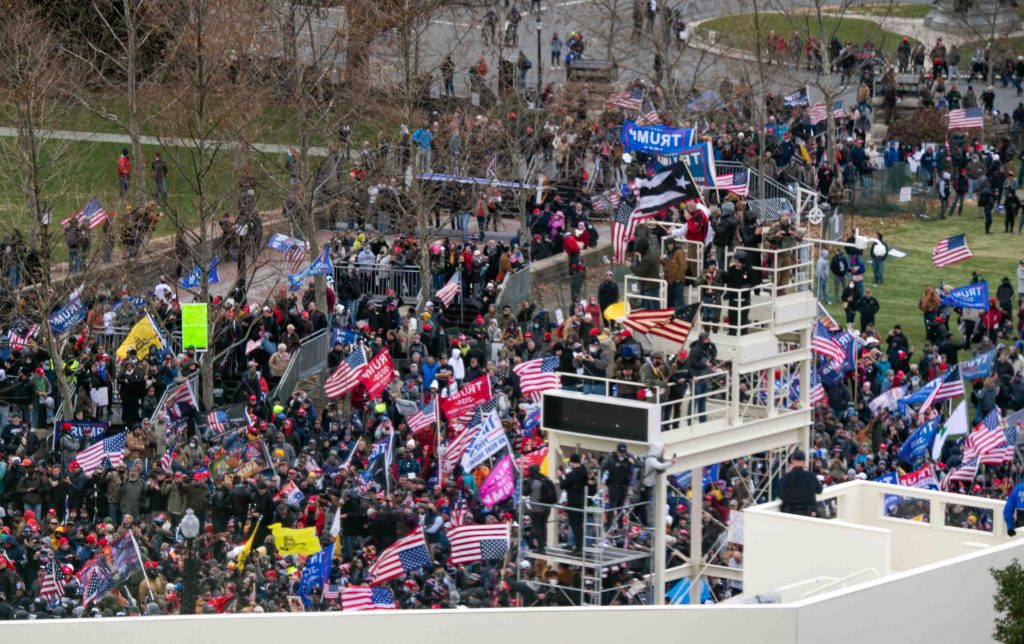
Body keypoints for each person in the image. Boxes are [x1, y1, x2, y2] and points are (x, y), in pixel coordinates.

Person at [559, 452, 596, 553]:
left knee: (575, 525)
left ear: (572, 462)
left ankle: (578, 547)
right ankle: (579, 545)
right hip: (583, 501)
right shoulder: (585, 472)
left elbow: (563, 485)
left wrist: (560, 476)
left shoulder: (572, 474)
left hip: (574, 502)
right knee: (578, 525)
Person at [777, 450, 822, 516]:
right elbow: (819, 490)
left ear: (792, 461)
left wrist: (788, 472)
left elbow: (780, 494)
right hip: (808, 513)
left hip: (790, 513)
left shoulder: (787, 477)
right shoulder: (811, 476)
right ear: (804, 462)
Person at [601, 444, 635, 527]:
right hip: (613, 484)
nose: (621, 454)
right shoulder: (611, 457)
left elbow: (640, 464)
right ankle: (609, 524)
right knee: (612, 505)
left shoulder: (629, 456)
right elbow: (603, 466)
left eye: (623, 452)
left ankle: (620, 524)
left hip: (624, 485)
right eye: (620, 452)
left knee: (621, 505)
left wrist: (632, 462)